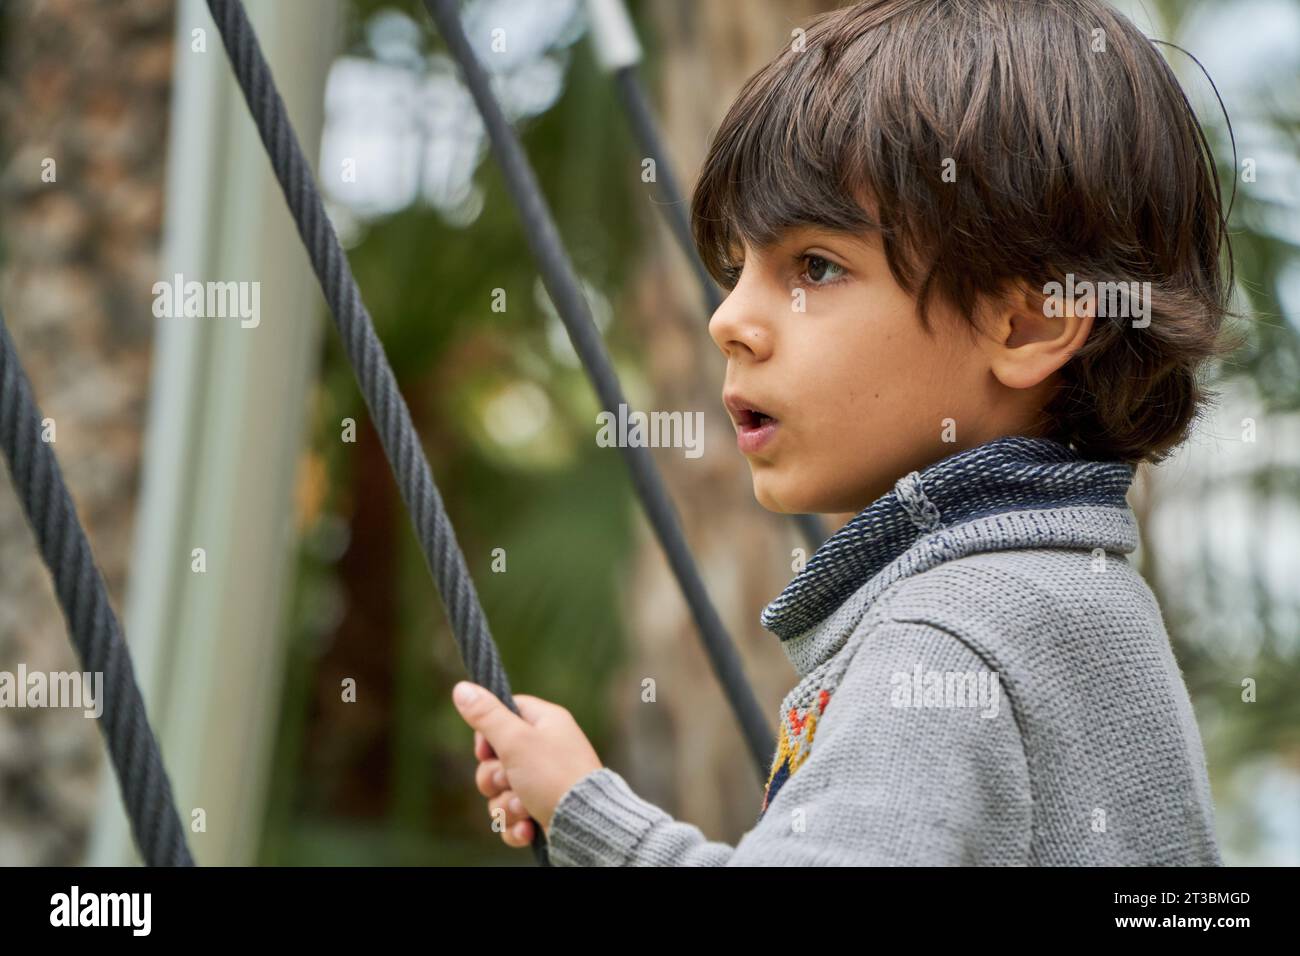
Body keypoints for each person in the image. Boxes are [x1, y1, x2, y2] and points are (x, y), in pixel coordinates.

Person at [450, 0, 1233, 865]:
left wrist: (587, 813)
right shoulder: (1084, 596)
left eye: (815, 267)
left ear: (1027, 326)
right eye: (735, 269)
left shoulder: (946, 634)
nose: (730, 321)